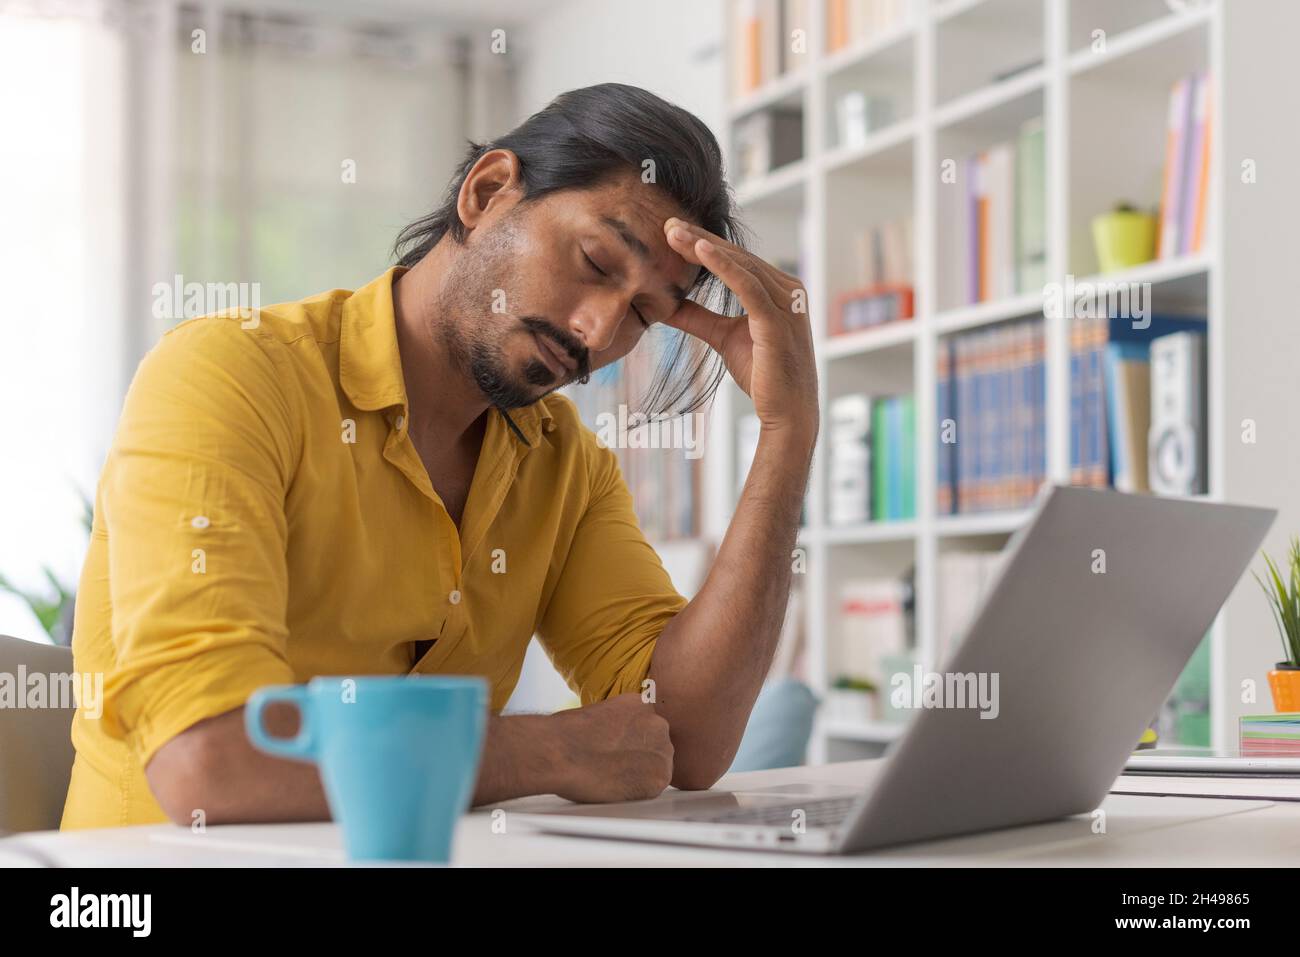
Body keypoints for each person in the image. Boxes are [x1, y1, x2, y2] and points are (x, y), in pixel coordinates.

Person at [61, 83, 818, 829]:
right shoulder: (230, 375)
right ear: (488, 191)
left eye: (644, 315)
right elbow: (211, 762)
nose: (596, 332)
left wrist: (788, 434)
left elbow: (679, 741)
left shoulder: (566, 467)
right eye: (594, 260)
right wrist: (547, 751)